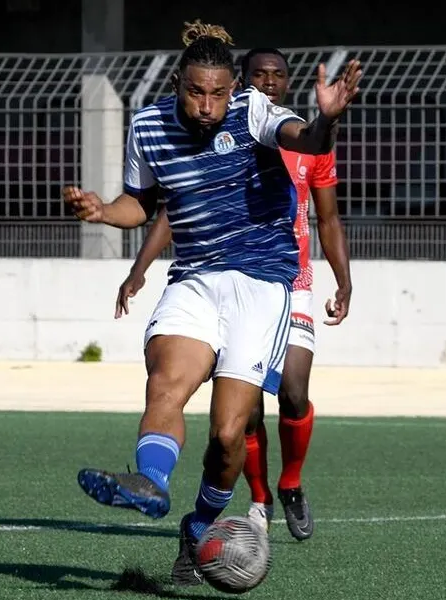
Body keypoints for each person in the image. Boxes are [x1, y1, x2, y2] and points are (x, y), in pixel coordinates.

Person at [65, 20, 361, 586]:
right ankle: (150, 481)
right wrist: (103, 211)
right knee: (166, 384)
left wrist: (326, 118)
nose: (208, 106)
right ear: (179, 83)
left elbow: (308, 141)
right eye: (197, 92)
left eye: (218, 93)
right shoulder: (149, 126)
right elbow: (141, 203)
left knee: (229, 435)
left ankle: (198, 524)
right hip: (195, 278)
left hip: (261, 285)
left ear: (234, 89)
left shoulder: (254, 110)